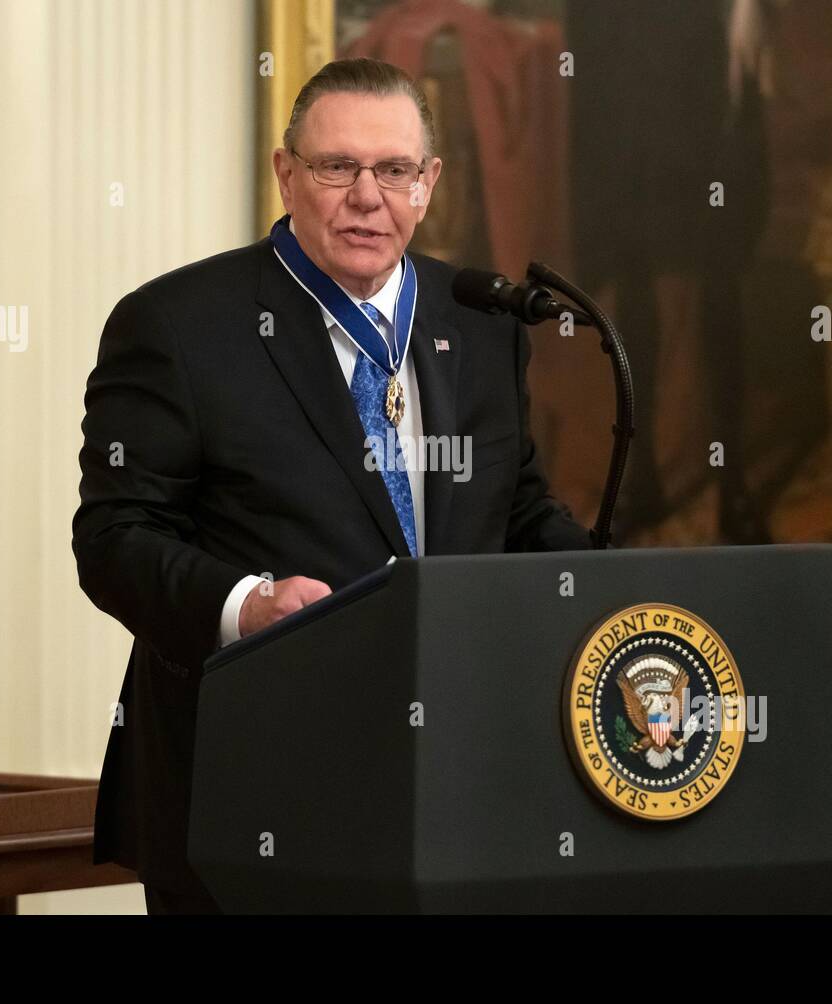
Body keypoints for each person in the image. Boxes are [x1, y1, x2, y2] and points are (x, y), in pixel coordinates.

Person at [72, 57, 590, 915]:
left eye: (393, 170)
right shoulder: (178, 326)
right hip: (253, 795)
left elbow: (516, 506)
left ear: (428, 183)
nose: (366, 195)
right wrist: (248, 607)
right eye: (336, 167)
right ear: (286, 174)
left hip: (456, 790)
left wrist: (618, 590)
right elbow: (115, 539)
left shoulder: (479, 321)